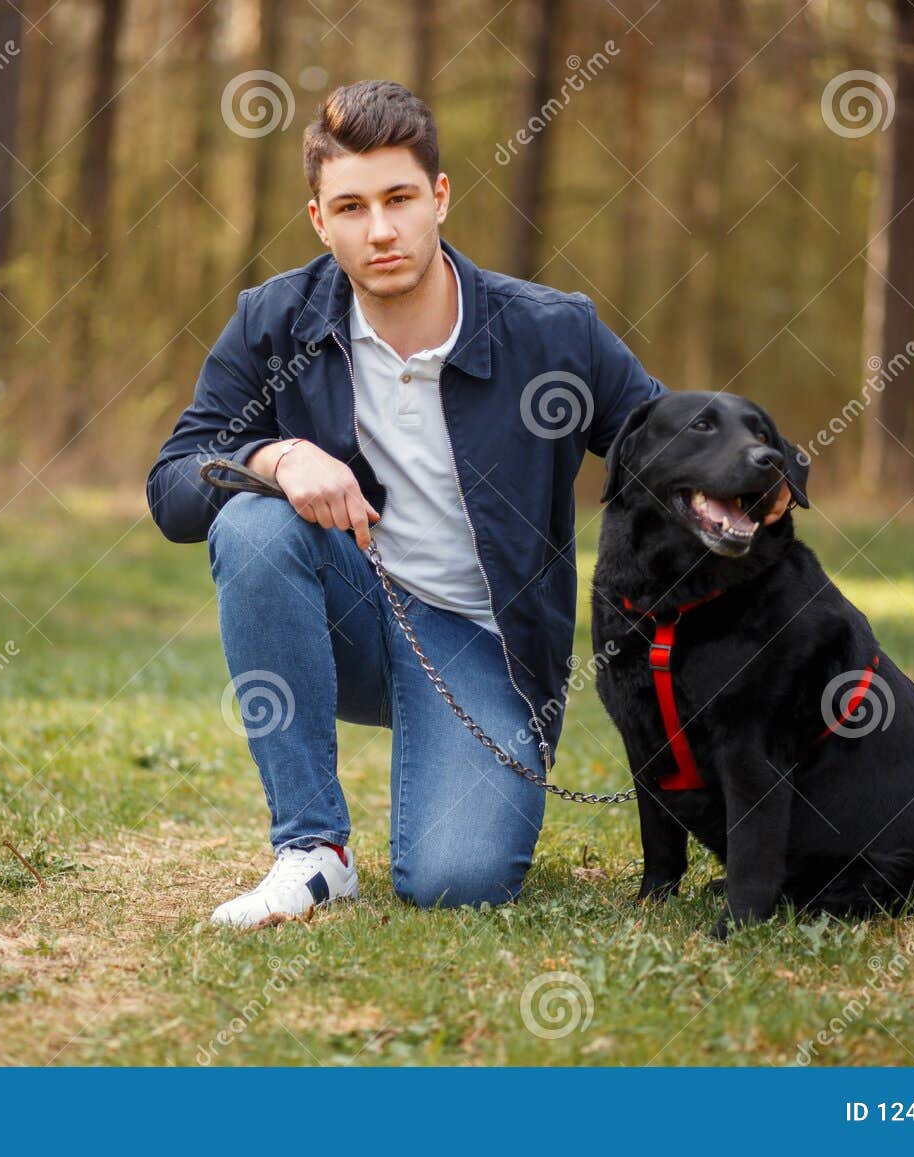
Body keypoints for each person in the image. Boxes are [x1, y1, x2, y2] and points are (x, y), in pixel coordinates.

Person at [145, 80, 788, 928]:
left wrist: (762, 477)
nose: (380, 230)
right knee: (256, 520)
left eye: (400, 198)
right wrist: (278, 453)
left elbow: (664, 440)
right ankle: (313, 852)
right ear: (318, 220)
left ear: (439, 197)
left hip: (488, 649)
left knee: (458, 879)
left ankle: (455, 784)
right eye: (351, 207)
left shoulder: (552, 334)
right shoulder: (276, 322)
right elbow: (174, 484)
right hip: (351, 613)